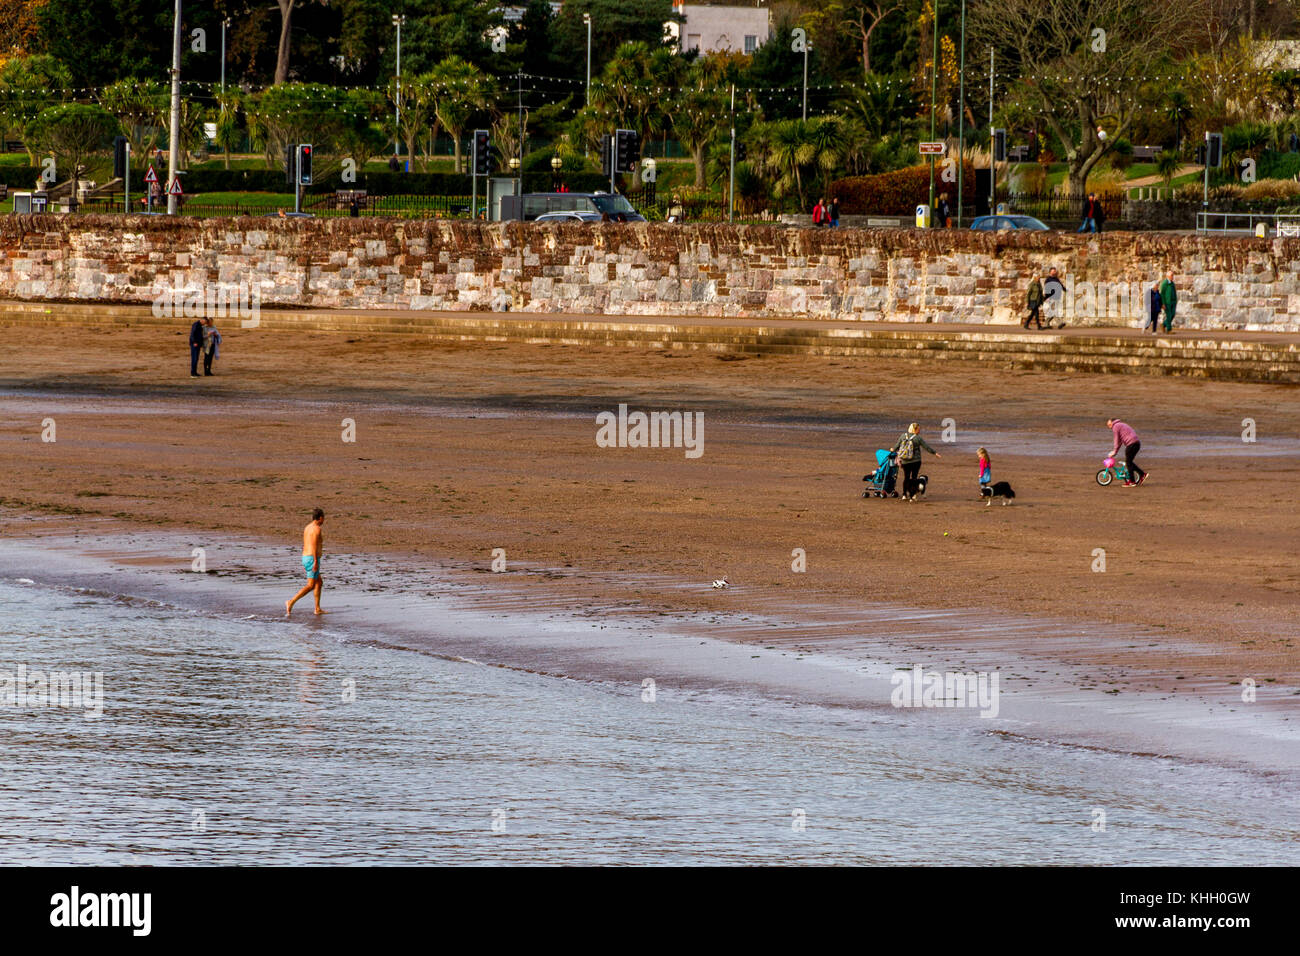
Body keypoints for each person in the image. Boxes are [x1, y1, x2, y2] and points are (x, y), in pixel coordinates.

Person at [286, 508, 327, 616]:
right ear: (320, 518)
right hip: (311, 558)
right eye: (323, 518)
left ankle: (317, 608)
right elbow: (313, 545)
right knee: (311, 585)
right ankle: (291, 602)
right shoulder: (316, 529)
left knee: (319, 583)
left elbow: (305, 544)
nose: (324, 521)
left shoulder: (307, 527)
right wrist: (314, 562)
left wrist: (306, 561)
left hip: (306, 557)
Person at [891, 422, 941, 501]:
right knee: (914, 478)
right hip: (916, 461)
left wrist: (892, 450)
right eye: (918, 429)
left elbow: (896, 446)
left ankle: (904, 494)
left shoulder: (903, 436)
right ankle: (913, 494)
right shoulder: (918, 438)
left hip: (905, 461)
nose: (919, 431)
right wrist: (935, 453)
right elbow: (926, 447)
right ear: (914, 429)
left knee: (906, 478)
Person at [1106, 418, 1147, 487]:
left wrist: (1114, 452)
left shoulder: (1115, 426)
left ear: (1112, 422)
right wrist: (1115, 451)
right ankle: (1142, 474)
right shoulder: (1120, 425)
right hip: (1136, 443)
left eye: (1109, 424)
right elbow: (1119, 442)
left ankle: (1132, 481)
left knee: (1128, 462)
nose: (1109, 426)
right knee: (1129, 462)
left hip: (1132, 444)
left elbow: (1116, 440)